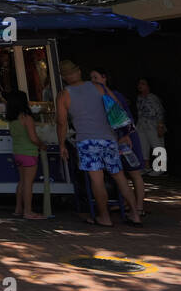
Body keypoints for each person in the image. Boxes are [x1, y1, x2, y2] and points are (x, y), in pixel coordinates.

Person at [56, 60, 140, 227]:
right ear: (79, 71)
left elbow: (61, 123)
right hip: (109, 139)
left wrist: (62, 145)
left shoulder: (64, 95)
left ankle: (104, 218)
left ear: (63, 77)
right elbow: (117, 107)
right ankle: (136, 215)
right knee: (120, 177)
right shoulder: (98, 87)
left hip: (86, 141)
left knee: (97, 181)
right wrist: (123, 133)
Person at [92, 68, 145, 219]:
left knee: (134, 172)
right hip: (118, 136)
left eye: (95, 77)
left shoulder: (113, 95)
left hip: (126, 135)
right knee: (123, 173)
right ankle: (129, 203)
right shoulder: (103, 95)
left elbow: (120, 116)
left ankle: (139, 206)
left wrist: (125, 134)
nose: (93, 80)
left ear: (104, 78)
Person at [6, 89, 44, 219]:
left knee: (21, 182)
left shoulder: (12, 120)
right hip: (29, 153)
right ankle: (28, 211)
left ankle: (18, 209)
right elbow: (33, 138)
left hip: (17, 153)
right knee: (28, 183)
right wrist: (42, 145)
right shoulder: (26, 118)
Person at [135, 77, 166, 175]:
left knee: (157, 145)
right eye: (139, 83)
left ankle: (160, 167)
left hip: (153, 124)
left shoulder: (153, 98)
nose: (140, 85)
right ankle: (146, 167)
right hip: (141, 124)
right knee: (143, 146)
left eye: (143, 83)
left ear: (148, 86)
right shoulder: (139, 98)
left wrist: (160, 126)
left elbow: (160, 112)